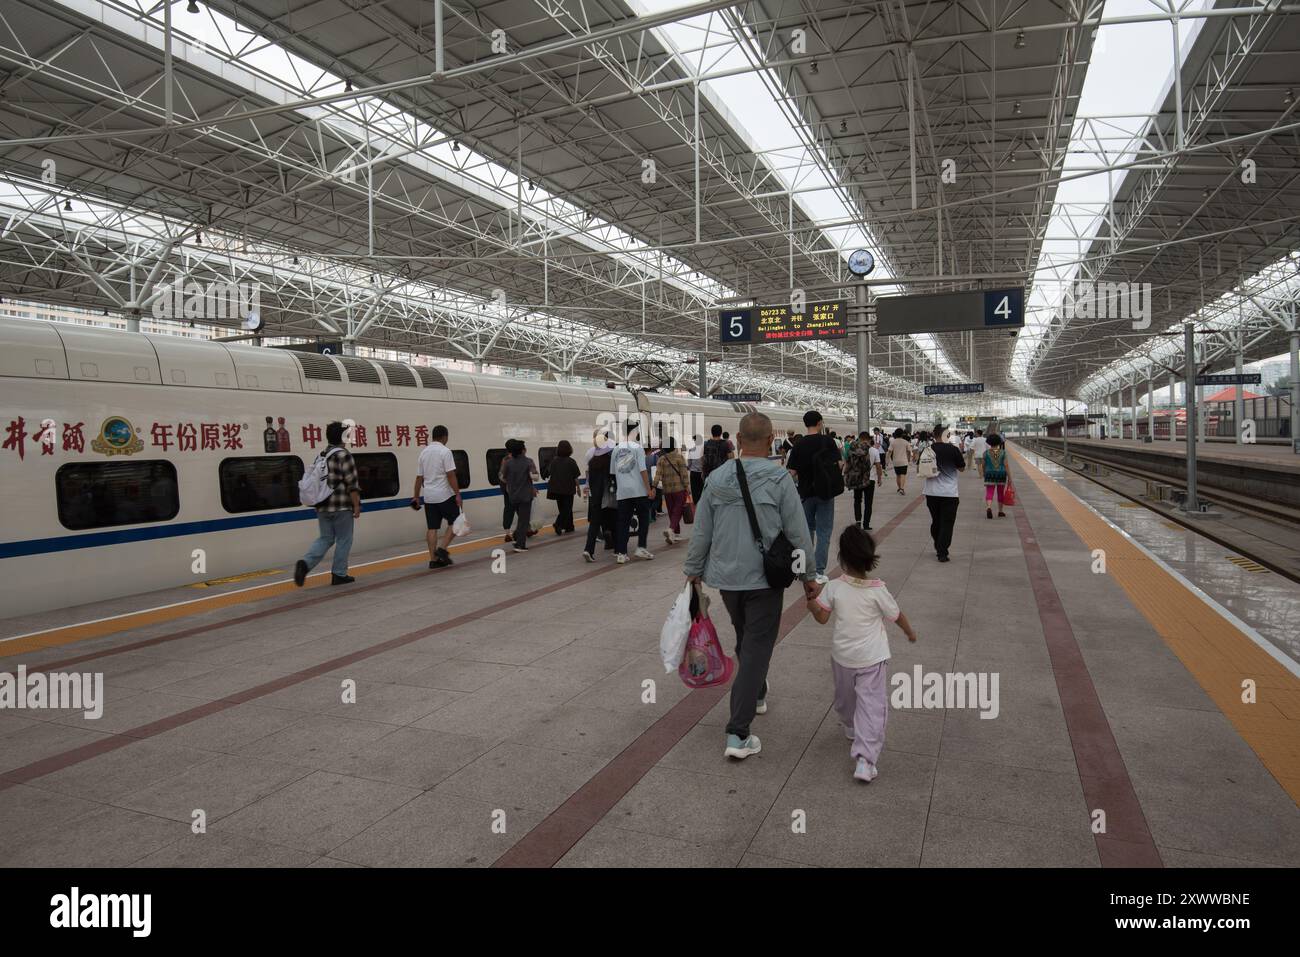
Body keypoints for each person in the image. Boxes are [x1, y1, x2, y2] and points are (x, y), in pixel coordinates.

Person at [683, 412, 820, 761]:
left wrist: (693, 571)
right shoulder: (779, 478)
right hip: (766, 578)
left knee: (747, 639)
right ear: (772, 439)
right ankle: (738, 732)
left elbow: (702, 530)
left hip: (728, 579)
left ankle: (757, 691)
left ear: (739, 441)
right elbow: (798, 532)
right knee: (757, 646)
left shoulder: (716, 478)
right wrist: (809, 577)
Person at [806, 525, 917, 783]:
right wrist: (910, 632)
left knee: (851, 702)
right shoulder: (878, 590)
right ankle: (858, 737)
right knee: (867, 706)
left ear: (842, 558)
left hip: (843, 658)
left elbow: (822, 618)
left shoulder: (834, 587)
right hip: (871, 658)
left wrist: (812, 606)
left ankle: (865, 758)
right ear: (870, 559)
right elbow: (896, 616)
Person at [294, 420, 361, 587]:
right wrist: (357, 506)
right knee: (344, 539)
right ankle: (339, 574)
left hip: (322, 506)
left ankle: (305, 563)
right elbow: (352, 483)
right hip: (342, 506)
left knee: (325, 538)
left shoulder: (321, 455)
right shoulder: (344, 455)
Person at [785, 410, 842, 582]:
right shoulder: (828, 441)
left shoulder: (799, 445)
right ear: (820, 422)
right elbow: (839, 465)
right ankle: (818, 571)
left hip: (805, 494)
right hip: (825, 493)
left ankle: (804, 569)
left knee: (805, 532)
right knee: (824, 532)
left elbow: (791, 472)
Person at [411, 424, 463, 568]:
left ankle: (433, 560)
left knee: (432, 527)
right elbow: (451, 475)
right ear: (445, 437)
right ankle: (442, 549)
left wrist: (416, 496)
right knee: (457, 521)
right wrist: (458, 494)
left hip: (429, 497)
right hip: (444, 495)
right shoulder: (445, 452)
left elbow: (418, 478)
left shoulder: (424, 453)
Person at [612, 419, 655, 564]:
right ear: (633, 432)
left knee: (622, 523)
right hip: (639, 491)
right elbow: (643, 470)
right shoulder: (638, 448)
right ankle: (641, 547)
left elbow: (613, 472)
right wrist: (649, 490)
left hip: (623, 492)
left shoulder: (616, 449)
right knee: (644, 519)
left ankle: (621, 553)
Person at [922, 428, 966, 563]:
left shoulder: (928, 450)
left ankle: (938, 544)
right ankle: (942, 552)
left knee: (936, 521)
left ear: (934, 436)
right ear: (945, 435)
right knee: (947, 523)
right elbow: (962, 468)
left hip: (931, 493)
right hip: (949, 493)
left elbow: (921, 468)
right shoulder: (953, 450)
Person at [581, 429, 616, 562]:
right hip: (609, 496)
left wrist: (587, 487)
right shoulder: (609, 459)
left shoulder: (592, 459)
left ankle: (588, 550)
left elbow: (588, 476)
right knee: (614, 521)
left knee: (594, 524)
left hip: (595, 496)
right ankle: (618, 549)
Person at [501, 440, 539, 552]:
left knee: (522, 520)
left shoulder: (507, 462)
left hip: (513, 495)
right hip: (525, 495)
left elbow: (502, 477)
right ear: (523, 450)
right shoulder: (528, 462)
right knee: (524, 520)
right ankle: (520, 545)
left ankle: (517, 537)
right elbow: (535, 477)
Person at [654, 437, 690, 545]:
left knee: (671, 511)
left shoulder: (661, 459)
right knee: (678, 510)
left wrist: (653, 486)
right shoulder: (679, 458)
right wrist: (687, 486)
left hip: (667, 490)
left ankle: (675, 534)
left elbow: (658, 475)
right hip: (679, 489)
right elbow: (684, 474)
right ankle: (671, 529)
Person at [843, 431, 881, 531]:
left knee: (857, 500)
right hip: (870, 479)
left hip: (856, 478)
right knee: (868, 502)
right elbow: (878, 466)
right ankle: (866, 524)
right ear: (868, 439)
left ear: (859, 438)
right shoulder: (873, 450)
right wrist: (880, 478)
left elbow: (848, 463)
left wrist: (846, 476)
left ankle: (858, 522)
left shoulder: (853, 448)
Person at [547, 440, 580, 535]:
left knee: (562, 508)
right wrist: (578, 488)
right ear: (569, 449)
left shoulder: (553, 461)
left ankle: (569, 526)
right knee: (567, 508)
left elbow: (550, 473)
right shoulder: (571, 461)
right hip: (568, 489)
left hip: (556, 489)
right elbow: (575, 477)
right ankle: (558, 524)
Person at [982, 434, 1012, 519]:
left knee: (989, 492)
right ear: (999, 442)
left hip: (989, 474)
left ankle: (989, 507)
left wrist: (984, 473)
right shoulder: (1003, 452)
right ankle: (1000, 511)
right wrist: (1009, 477)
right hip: (1001, 474)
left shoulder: (985, 453)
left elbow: (983, 465)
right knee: (1000, 492)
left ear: (989, 442)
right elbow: (1006, 465)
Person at [886, 428, 912, 494]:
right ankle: (902, 488)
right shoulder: (905, 442)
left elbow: (889, 452)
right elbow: (909, 451)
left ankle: (899, 487)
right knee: (903, 475)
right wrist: (908, 459)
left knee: (898, 475)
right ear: (902, 434)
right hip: (904, 461)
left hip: (896, 462)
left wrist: (887, 460)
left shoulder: (893, 442)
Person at [687, 434, 705, 504]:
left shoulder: (691, 450)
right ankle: (703, 502)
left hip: (694, 472)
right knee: (702, 488)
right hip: (702, 472)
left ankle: (696, 502)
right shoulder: (704, 450)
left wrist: (688, 467)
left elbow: (689, 462)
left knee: (694, 488)